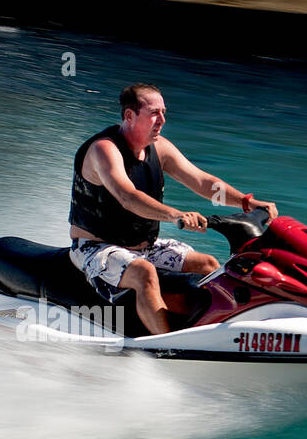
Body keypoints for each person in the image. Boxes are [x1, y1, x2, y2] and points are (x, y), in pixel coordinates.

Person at [68, 83, 278, 335]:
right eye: (154, 113)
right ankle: (167, 347)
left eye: (164, 112)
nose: (162, 120)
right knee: (145, 273)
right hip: (94, 248)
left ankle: (213, 331)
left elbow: (202, 182)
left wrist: (247, 203)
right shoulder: (104, 149)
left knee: (209, 264)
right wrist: (176, 215)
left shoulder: (159, 147)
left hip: (145, 247)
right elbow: (128, 197)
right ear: (129, 116)